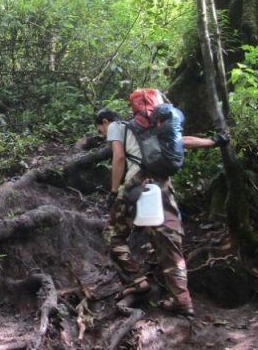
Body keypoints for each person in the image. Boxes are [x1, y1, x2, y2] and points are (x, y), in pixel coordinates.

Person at [94, 106, 228, 317]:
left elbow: (118, 158)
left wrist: (113, 191)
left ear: (104, 122)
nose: (102, 134)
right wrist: (214, 141)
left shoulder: (117, 127)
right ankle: (182, 300)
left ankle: (137, 281)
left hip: (136, 184)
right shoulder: (153, 129)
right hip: (162, 185)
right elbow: (182, 141)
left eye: (100, 130)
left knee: (113, 234)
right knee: (168, 240)